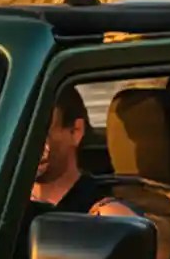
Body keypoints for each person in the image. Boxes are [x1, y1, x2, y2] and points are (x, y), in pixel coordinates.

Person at [31, 86, 138, 217]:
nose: (29, 141)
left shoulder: (102, 214)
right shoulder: (7, 201)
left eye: (43, 131)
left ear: (75, 131)